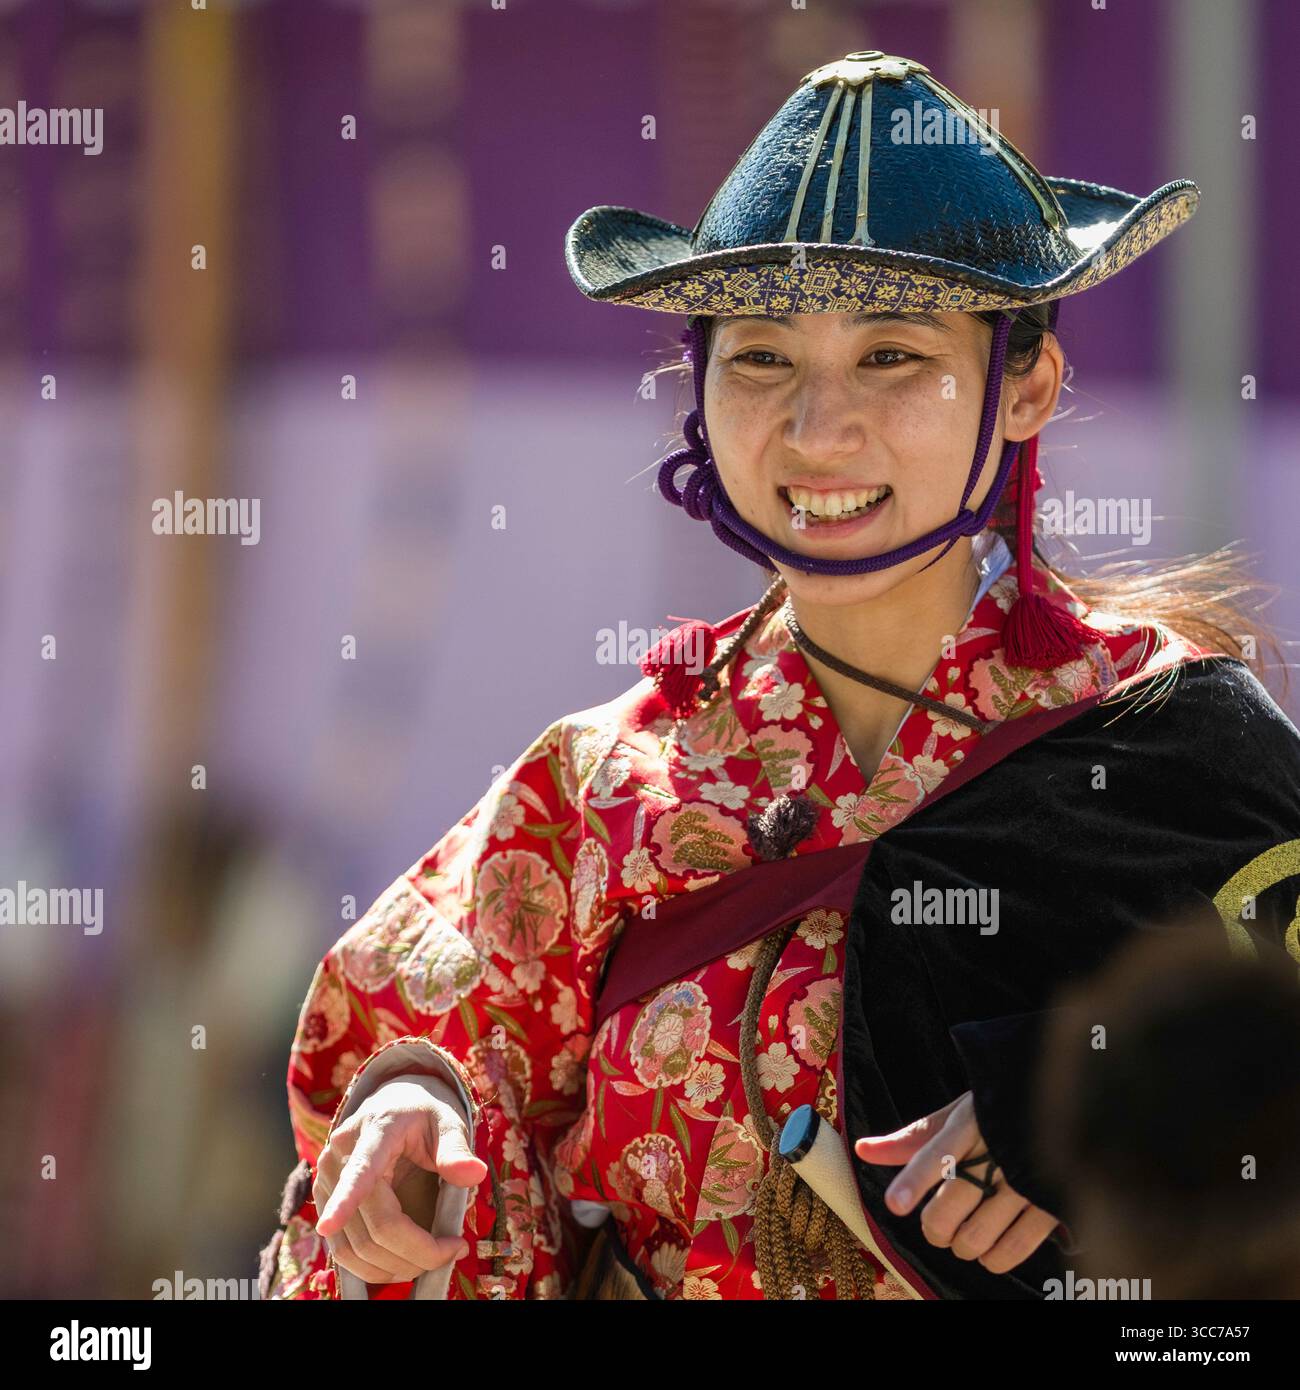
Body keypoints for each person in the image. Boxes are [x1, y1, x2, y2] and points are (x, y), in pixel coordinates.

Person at [260, 49, 1300, 1301]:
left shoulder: (1171, 744)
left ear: (1026, 383)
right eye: (760, 359)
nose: (816, 431)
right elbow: (411, 1031)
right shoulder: (596, 792)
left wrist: (1072, 1096)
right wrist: (411, 1117)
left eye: (893, 355)